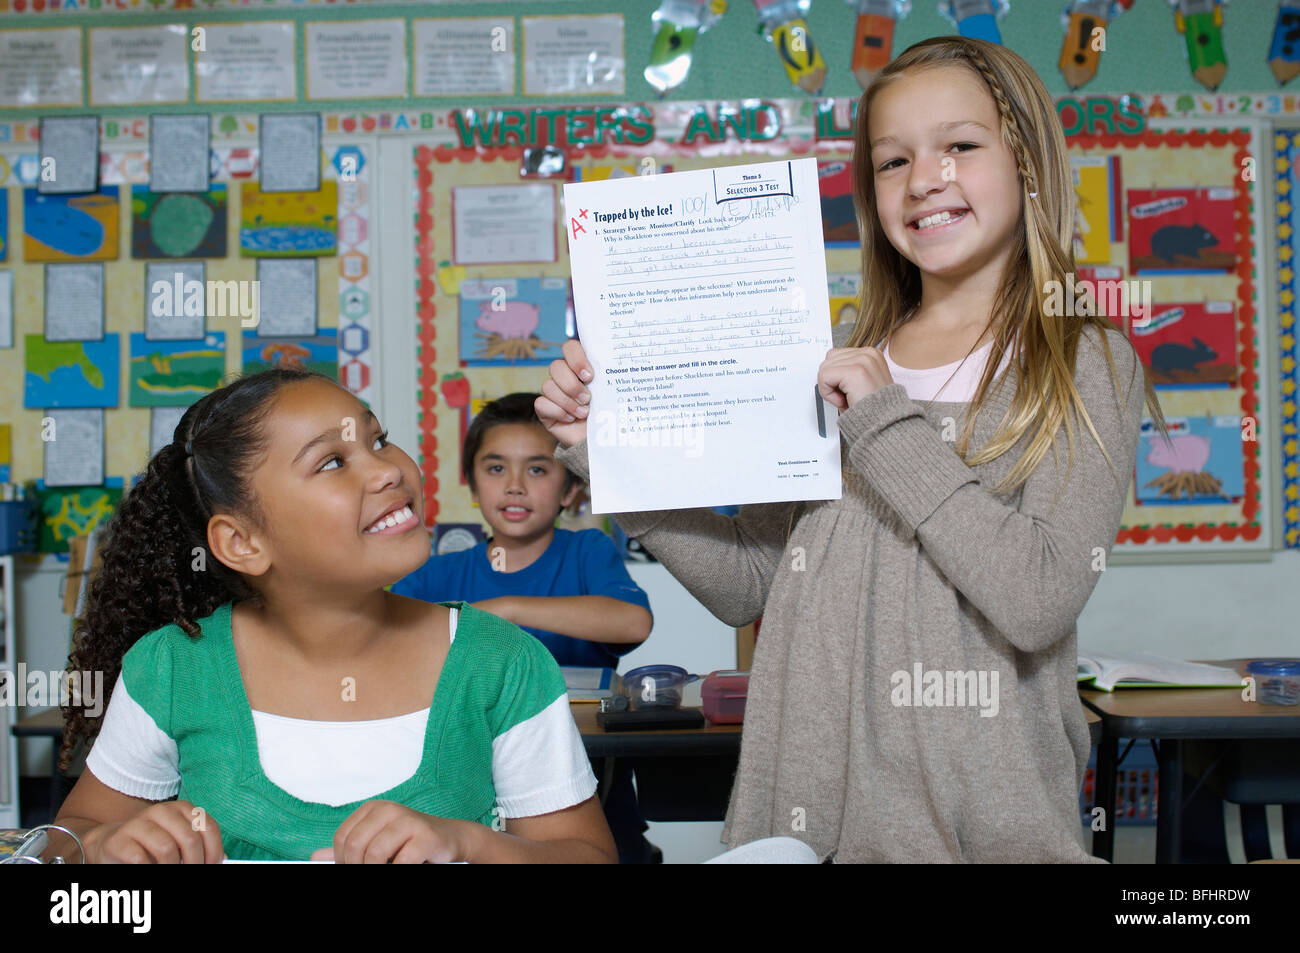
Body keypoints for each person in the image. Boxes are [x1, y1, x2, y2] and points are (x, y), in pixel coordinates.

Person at [536, 37, 1167, 862]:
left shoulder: (1085, 362)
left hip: (985, 842)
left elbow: (1038, 595)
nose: (925, 179)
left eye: (961, 147)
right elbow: (747, 582)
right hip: (796, 835)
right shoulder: (832, 356)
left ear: (1029, 163)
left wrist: (882, 421)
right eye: (892, 161)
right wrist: (604, 450)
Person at [51, 369, 616, 863]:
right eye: (332, 461)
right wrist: (101, 847)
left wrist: (469, 844)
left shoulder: (502, 662)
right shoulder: (171, 667)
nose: (389, 470)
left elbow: (586, 856)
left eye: (379, 440)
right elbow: (66, 839)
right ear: (242, 542)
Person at [391, 393, 657, 863]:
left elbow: (632, 622)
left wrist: (510, 608)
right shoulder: (438, 574)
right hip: (470, 792)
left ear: (571, 489)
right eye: (496, 469)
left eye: (537, 469)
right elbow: (370, 629)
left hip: (593, 787)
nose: (515, 486)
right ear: (471, 483)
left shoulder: (587, 553)